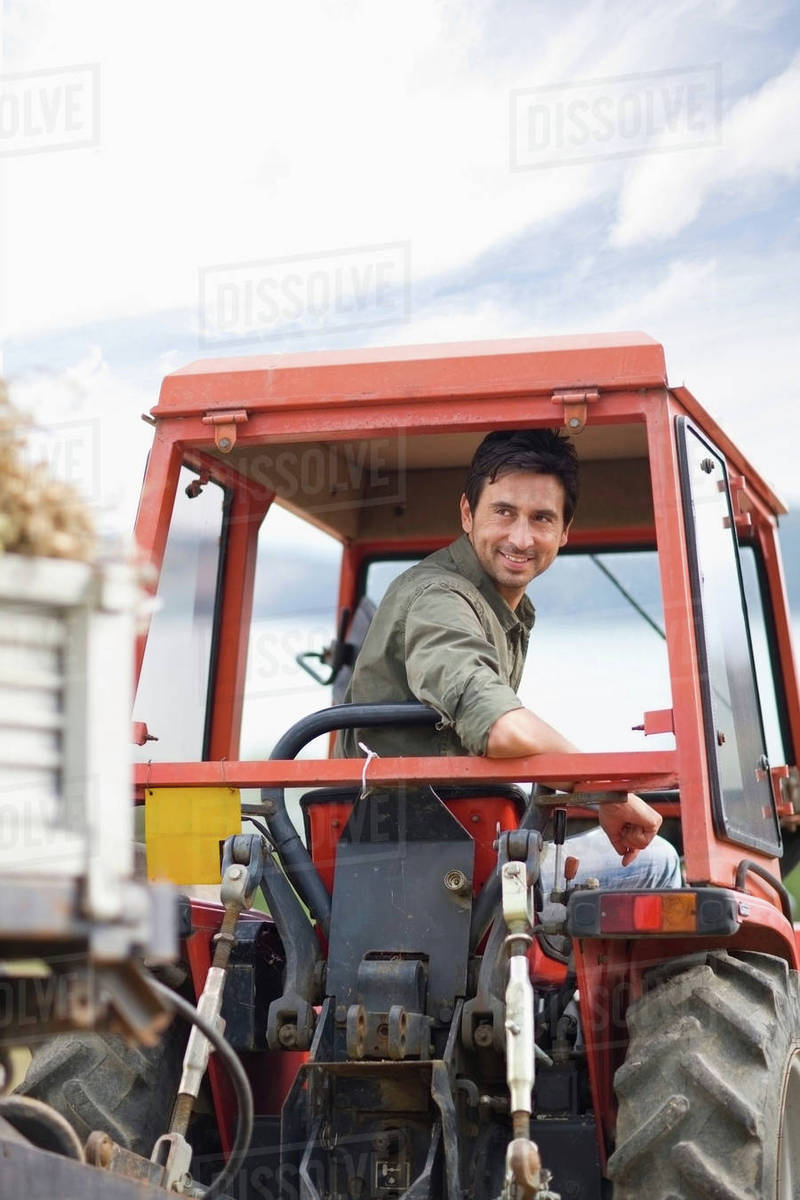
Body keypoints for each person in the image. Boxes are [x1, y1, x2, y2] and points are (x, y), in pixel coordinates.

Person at [335, 428, 680, 890]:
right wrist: (606, 791)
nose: (521, 538)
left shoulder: (498, 609)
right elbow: (501, 728)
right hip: (433, 867)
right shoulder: (439, 598)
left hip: (452, 845)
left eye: (541, 518)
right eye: (504, 512)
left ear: (563, 532)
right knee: (656, 860)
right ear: (467, 513)